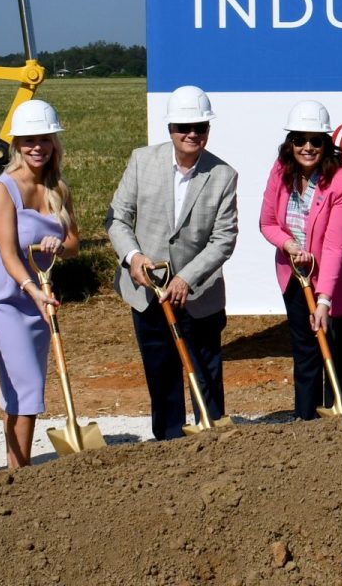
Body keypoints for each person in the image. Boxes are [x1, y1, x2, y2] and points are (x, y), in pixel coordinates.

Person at [107, 85, 239, 440]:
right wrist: (133, 259)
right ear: (170, 129)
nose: (192, 134)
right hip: (147, 294)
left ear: (208, 130)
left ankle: (211, 445)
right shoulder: (142, 161)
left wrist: (186, 279)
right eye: (184, 127)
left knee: (206, 375)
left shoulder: (223, 175)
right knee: (161, 376)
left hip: (198, 297)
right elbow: (118, 218)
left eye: (199, 127)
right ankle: (167, 448)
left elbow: (223, 238)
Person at [0, 99, 79, 467]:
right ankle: (21, 473)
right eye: (28, 140)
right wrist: (32, 289)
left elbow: (73, 245)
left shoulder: (58, 188)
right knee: (27, 387)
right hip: (7, 299)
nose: (37, 147)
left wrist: (57, 245)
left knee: (19, 387)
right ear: (17, 145)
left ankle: (14, 468)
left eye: (44, 139)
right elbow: (7, 254)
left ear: (54, 143)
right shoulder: (2, 190)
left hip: (43, 298)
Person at [258, 100, 342, 420]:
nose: (307, 147)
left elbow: (336, 247)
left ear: (327, 143)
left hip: (339, 279)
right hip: (296, 274)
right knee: (306, 352)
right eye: (300, 140)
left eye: (316, 140)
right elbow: (267, 223)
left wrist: (324, 301)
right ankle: (305, 420)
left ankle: (341, 417)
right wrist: (288, 244)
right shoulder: (280, 172)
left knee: (336, 350)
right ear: (290, 142)